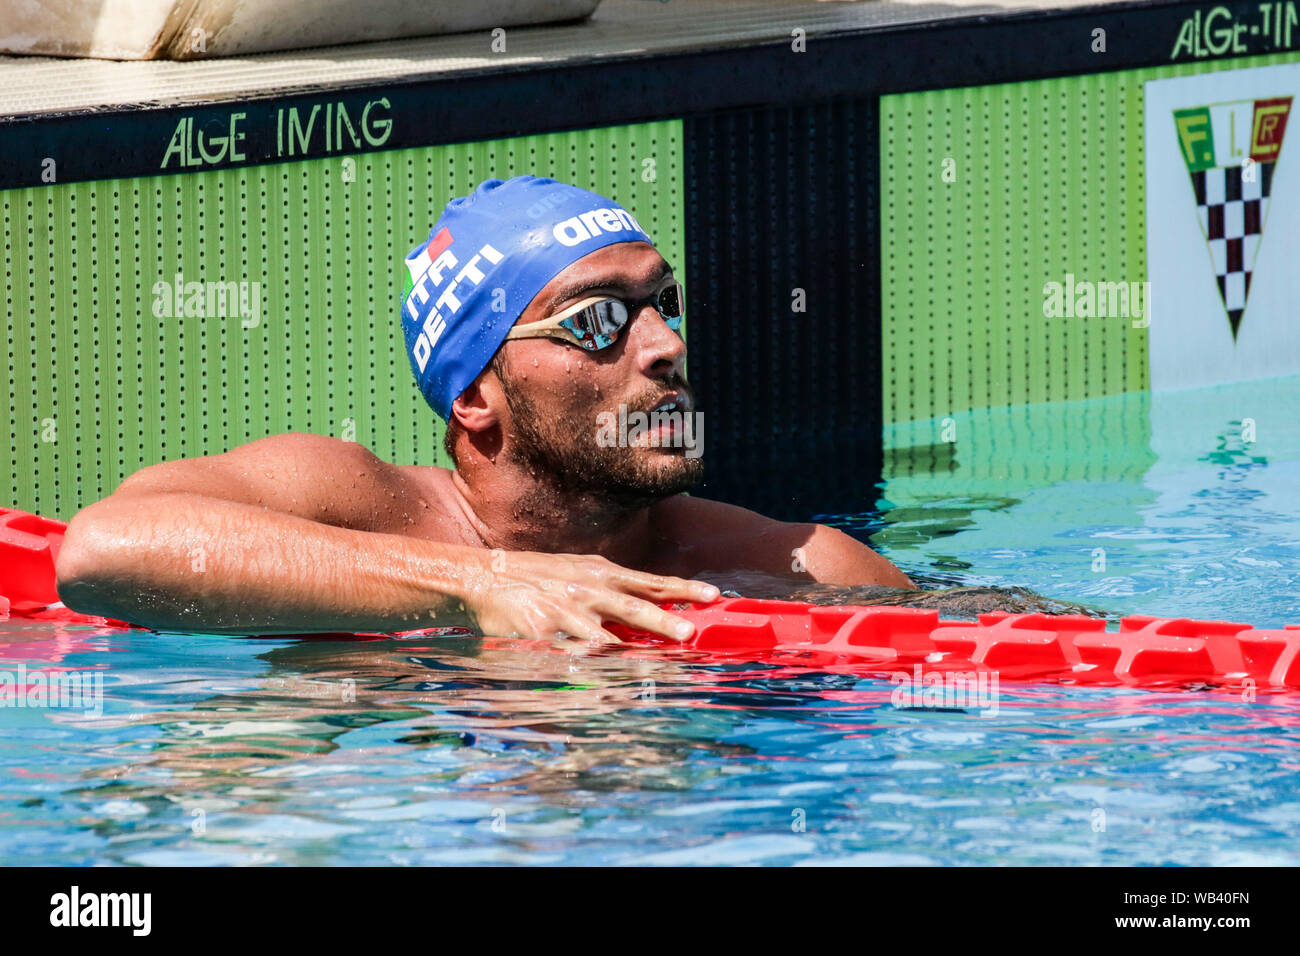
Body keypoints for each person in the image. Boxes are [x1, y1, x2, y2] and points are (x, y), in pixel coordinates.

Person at [56, 176, 914, 644]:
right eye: (599, 321)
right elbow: (104, 548)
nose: (665, 345)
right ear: (474, 395)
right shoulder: (362, 503)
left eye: (664, 302)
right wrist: (482, 585)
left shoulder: (803, 564)